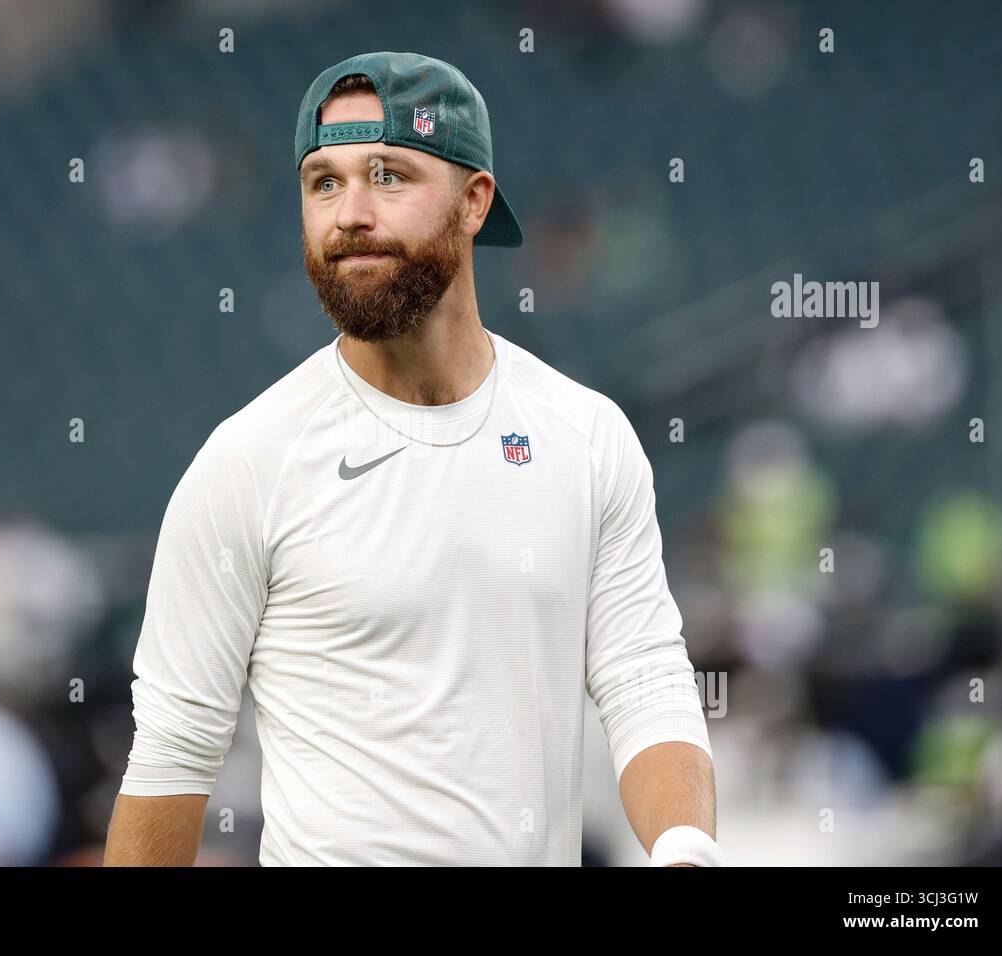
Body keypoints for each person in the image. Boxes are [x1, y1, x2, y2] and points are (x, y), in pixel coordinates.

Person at [104, 51, 720, 866]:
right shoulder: (248, 462)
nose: (349, 212)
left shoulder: (586, 435)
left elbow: (643, 681)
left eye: (388, 175)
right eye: (324, 181)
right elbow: (173, 759)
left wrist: (684, 849)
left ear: (474, 202)